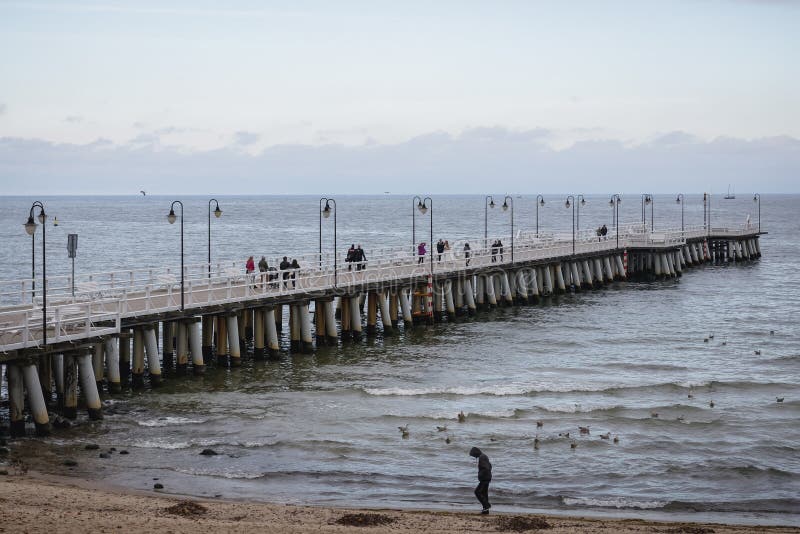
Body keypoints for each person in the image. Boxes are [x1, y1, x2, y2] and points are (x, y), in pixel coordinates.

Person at [469, 447, 492, 514]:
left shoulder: (482, 457)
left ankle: (487, 505)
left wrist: (481, 474)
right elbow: (490, 466)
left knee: (477, 492)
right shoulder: (484, 456)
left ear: (476, 452)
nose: (474, 457)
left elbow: (486, 468)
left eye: (474, 455)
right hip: (487, 477)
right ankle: (486, 510)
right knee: (484, 494)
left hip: (484, 479)